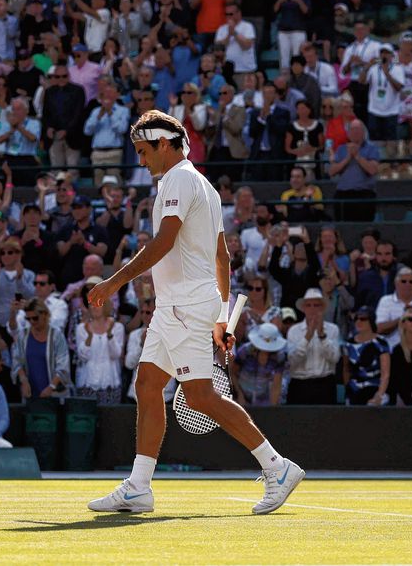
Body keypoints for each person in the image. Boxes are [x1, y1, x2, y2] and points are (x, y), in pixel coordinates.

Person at [86, 110, 304, 515]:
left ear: (163, 144)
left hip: (185, 304)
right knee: (148, 385)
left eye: (143, 151)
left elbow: (164, 242)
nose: (141, 160)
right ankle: (138, 487)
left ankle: (277, 467)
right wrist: (222, 315)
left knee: (200, 396)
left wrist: (114, 281)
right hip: (180, 305)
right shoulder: (202, 184)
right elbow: (222, 256)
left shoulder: (180, 180)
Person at [231, 323, 287, 407]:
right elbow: (232, 373)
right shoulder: (245, 351)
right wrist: (239, 394)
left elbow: (276, 385)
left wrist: (273, 407)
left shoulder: (279, 357)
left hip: (264, 399)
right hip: (242, 397)